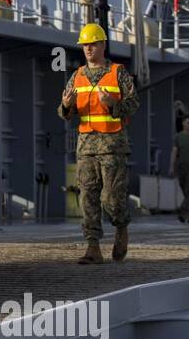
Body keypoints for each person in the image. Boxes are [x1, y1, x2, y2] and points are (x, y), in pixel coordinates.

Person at [59, 23, 139, 264]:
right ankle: (93, 247)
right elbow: (64, 112)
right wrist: (65, 104)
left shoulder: (118, 73)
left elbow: (133, 104)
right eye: (85, 45)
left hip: (113, 146)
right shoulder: (77, 76)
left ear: (103, 45)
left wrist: (112, 102)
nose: (88, 49)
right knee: (88, 197)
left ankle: (121, 228)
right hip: (86, 147)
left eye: (92, 44)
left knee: (111, 198)